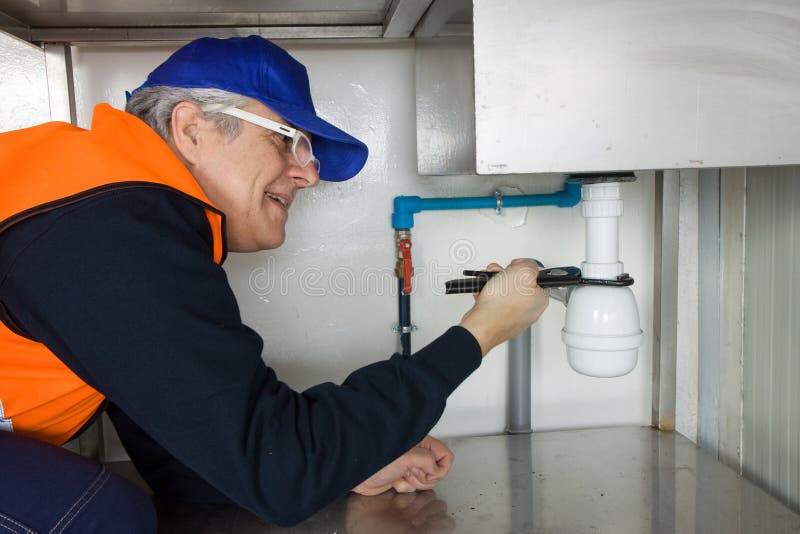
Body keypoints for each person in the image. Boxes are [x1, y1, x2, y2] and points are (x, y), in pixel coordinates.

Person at [0, 35, 548, 531]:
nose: (308, 174)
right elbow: (282, 470)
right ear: (191, 129)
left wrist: (348, 462)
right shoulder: (110, 230)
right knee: (106, 518)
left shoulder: (106, 207)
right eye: (289, 141)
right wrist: (480, 332)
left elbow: (191, 455)